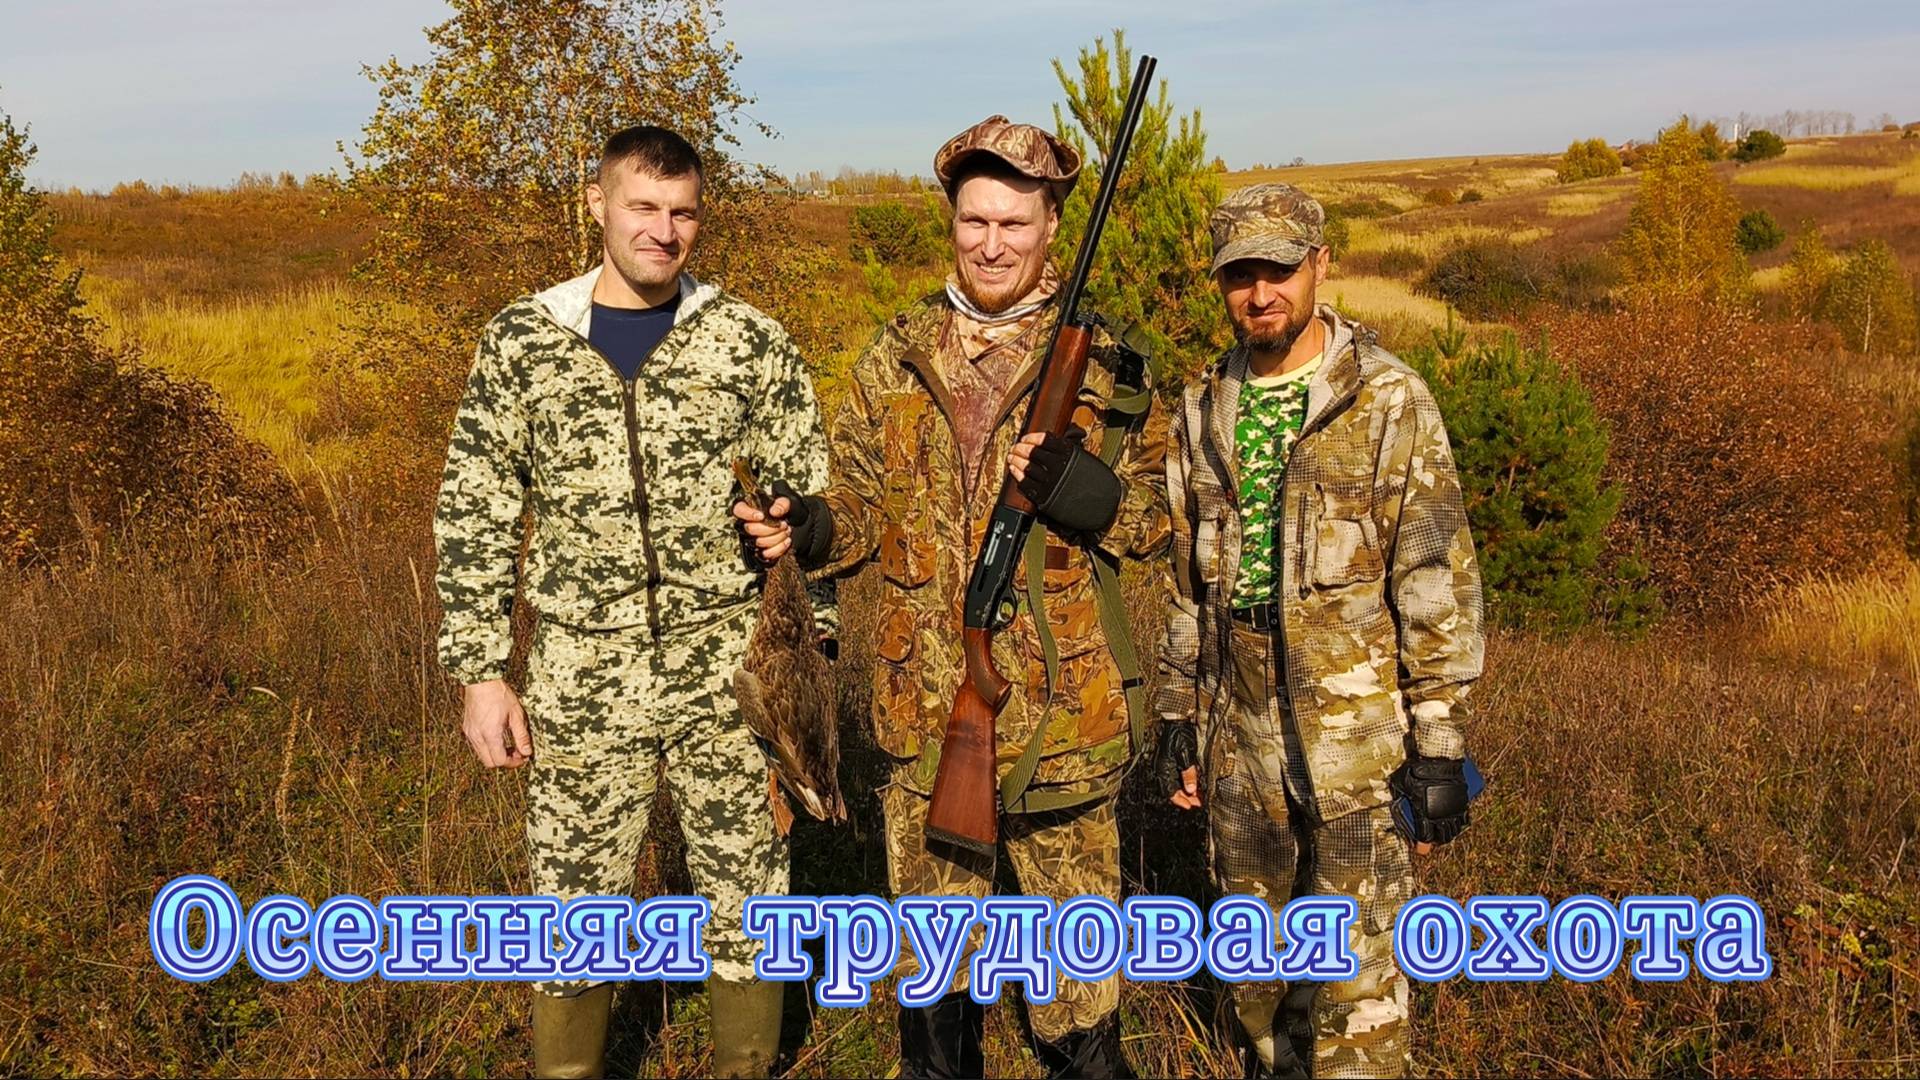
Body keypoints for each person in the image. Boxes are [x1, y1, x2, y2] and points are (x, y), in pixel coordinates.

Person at [736, 115, 1168, 1079]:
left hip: (1065, 719)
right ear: (952, 222)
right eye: (976, 221)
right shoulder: (890, 358)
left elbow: (1162, 524)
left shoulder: (1111, 367)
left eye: (1014, 223)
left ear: (1052, 224)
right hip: (926, 714)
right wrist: (811, 526)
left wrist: (1090, 494)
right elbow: (857, 514)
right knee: (935, 970)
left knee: (1076, 982)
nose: (993, 244)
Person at [435, 124, 830, 1079]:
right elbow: (476, 508)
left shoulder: (746, 341)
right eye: (643, 206)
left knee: (751, 899)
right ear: (597, 205)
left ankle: (746, 1065)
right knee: (572, 911)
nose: (663, 230)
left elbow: (810, 501)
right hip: (580, 671)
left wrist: (804, 597)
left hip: (727, 670)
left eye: (682, 211)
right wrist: (481, 673)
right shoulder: (525, 341)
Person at [1152, 183, 1484, 1079]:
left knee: (1357, 984)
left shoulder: (1386, 398)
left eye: (1280, 271)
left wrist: (1440, 743)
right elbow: (1185, 576)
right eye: (1241, 275)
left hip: (1358, 741)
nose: (1261, 294)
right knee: (1254, 969)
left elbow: (1435, 574)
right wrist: (1178, 714)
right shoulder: (1201, 405)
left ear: (1321, 265)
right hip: (1236, 729)